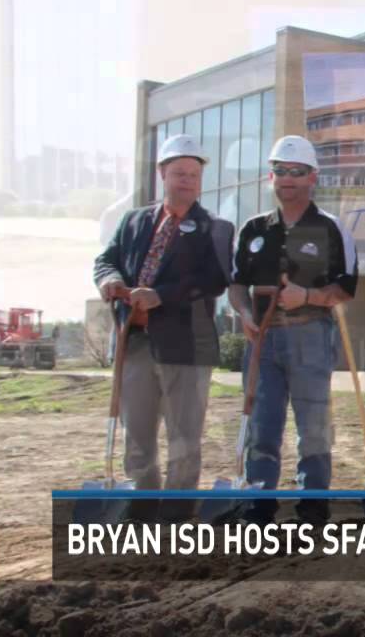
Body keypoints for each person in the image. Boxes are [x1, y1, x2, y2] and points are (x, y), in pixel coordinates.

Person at [93, 134, 234, 507]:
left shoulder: (215, 228)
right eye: (178, 173)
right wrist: (109, 279)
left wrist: (161, 295)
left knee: (183, 438)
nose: (186, 180)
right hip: (134, 341)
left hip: (187, 345)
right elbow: (105, 260)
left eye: (193, 174)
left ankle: (176, 514)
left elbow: (214, 280)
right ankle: (141, 507)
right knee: (136, 435)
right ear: (162, 175)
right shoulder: (134, 221)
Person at [229, 135, 357, 523]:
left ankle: (313, 505)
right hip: (262, 340)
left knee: (313, 426)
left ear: (312, 177)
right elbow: (236, 283)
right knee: (262, 424)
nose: (287, 179)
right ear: (272, 177)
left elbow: (346, 288)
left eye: (296, 172)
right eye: (280, 172)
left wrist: (308, 296)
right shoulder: (253, 229)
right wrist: (243, 314)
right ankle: (259, 505)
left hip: (311, 337)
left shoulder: (330, 227)